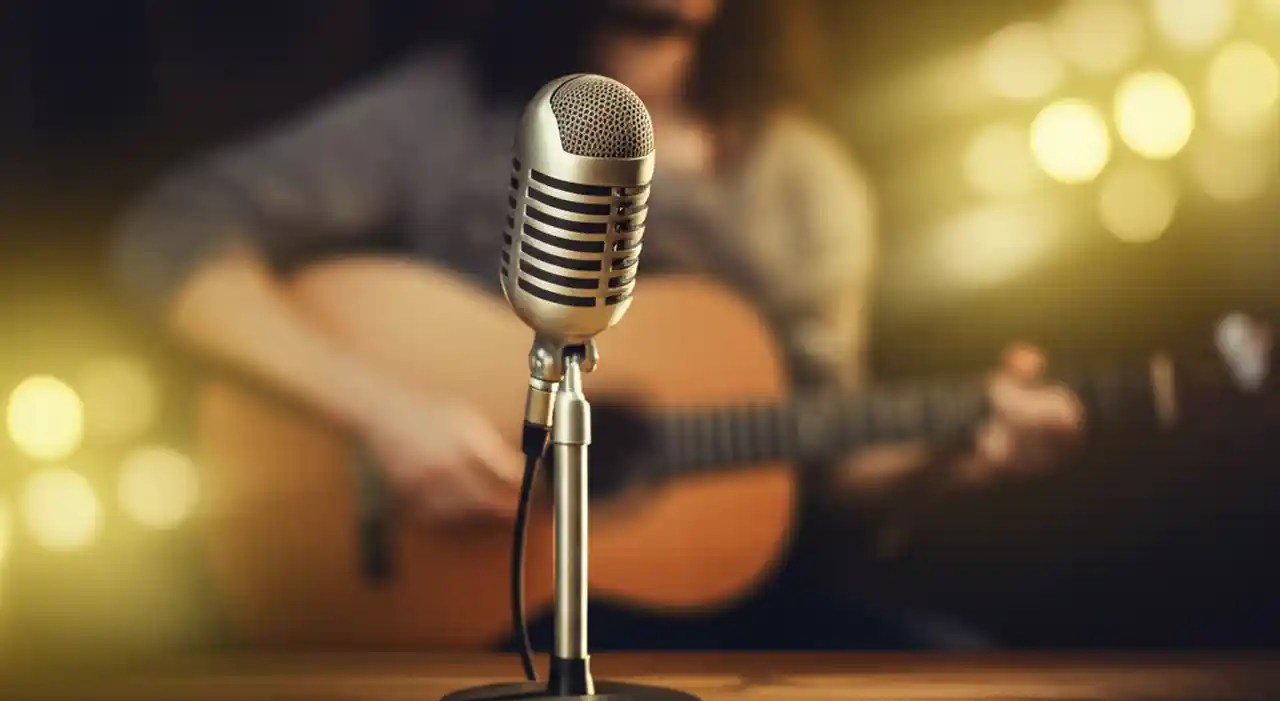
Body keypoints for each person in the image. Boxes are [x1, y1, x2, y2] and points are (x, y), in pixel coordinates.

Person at [114, 0, 1082, 648]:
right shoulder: (444, 112)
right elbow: (171, 237)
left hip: (717, 617)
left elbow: (826, 461)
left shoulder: (804, 183)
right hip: (455, 614)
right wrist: (381, 413)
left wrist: (948, 455)